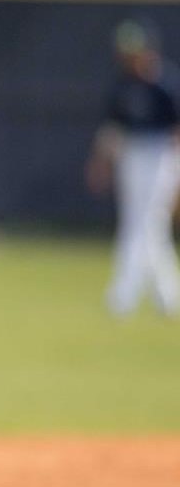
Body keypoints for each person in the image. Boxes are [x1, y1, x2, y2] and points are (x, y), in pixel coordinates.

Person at [84, 18, 180, 317]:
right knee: (146, 223)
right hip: (131, 154)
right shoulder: (123, 85)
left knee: (142, 223)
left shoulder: (164, 83)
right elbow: (112, 129)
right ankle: (168, 294)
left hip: (160, 154)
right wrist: (100, 161)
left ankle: (122, 294)